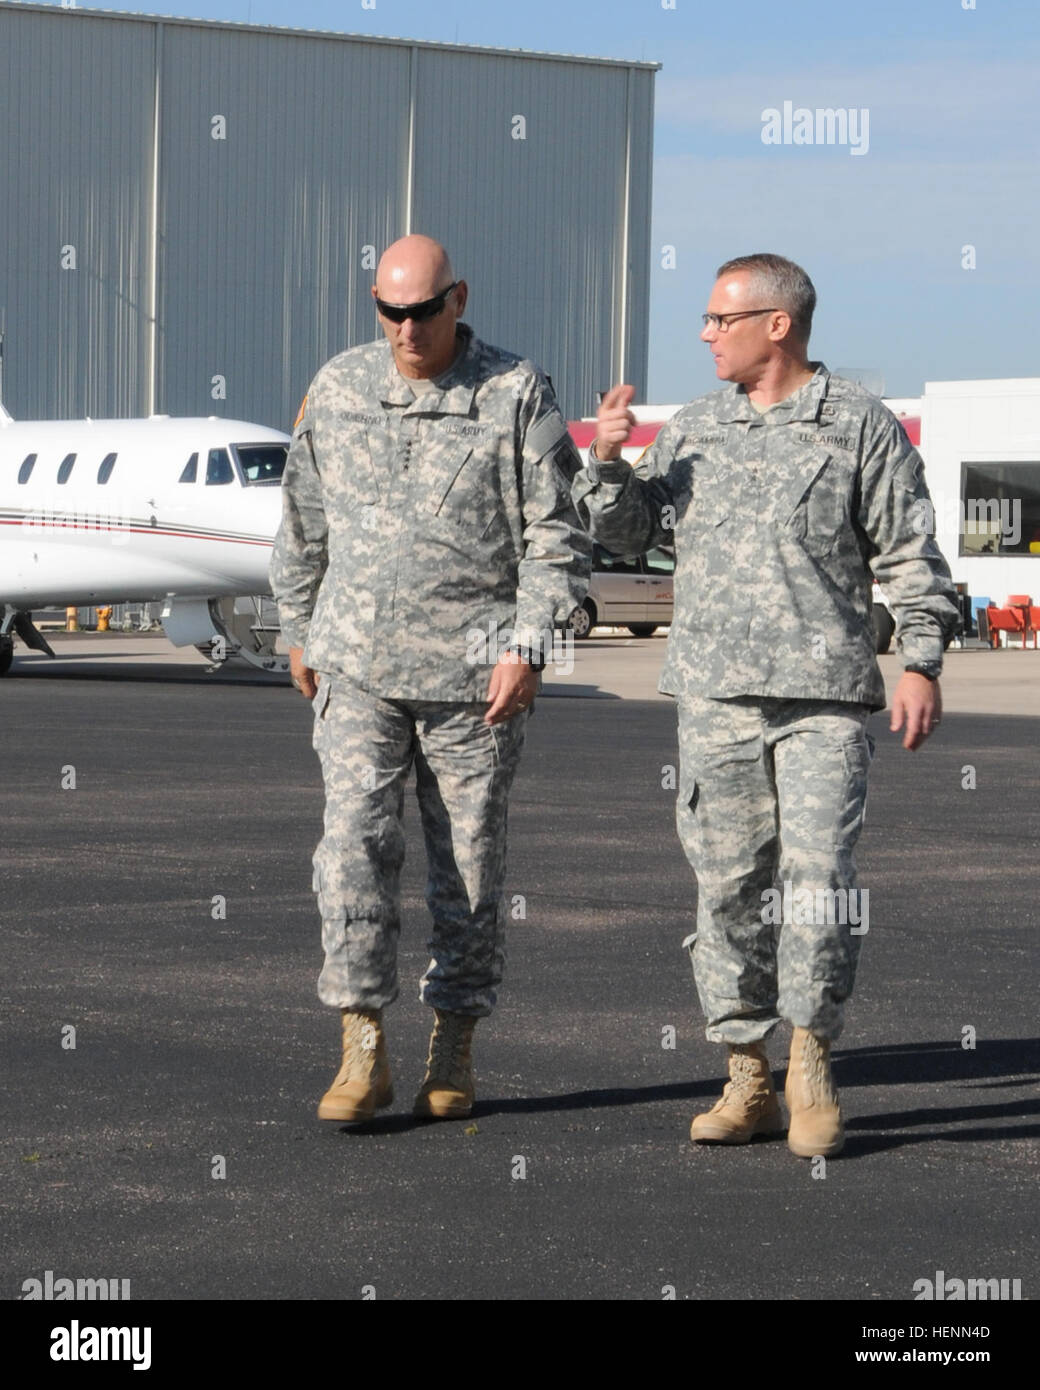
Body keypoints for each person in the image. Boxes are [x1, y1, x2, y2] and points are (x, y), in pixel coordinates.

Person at [573, 253, 958, 1158]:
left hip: (823, 699)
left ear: (776, 325)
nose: (706, 334)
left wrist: (922, 661)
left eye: (721, 319)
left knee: (820, 884)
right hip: (715, 695)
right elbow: (627, 534)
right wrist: (609, 462)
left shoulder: (856, 425)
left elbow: (910, 552)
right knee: (729, 889)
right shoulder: (694, 428)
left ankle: (811, 1060)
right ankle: (746, 1072)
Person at [271, 234, 590, 1123]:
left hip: (475, 677)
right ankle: (362, 1046)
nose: (406, 330)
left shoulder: (515, 390)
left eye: (422, 311)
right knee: (351, 851)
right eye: (389, 312)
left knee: (470, 868)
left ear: (459, 298)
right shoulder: (339, 386)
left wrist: (531, 647)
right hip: (357, 666)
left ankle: (454, 1043)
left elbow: (557, 536)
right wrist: (296, 628)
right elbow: (301, 519)